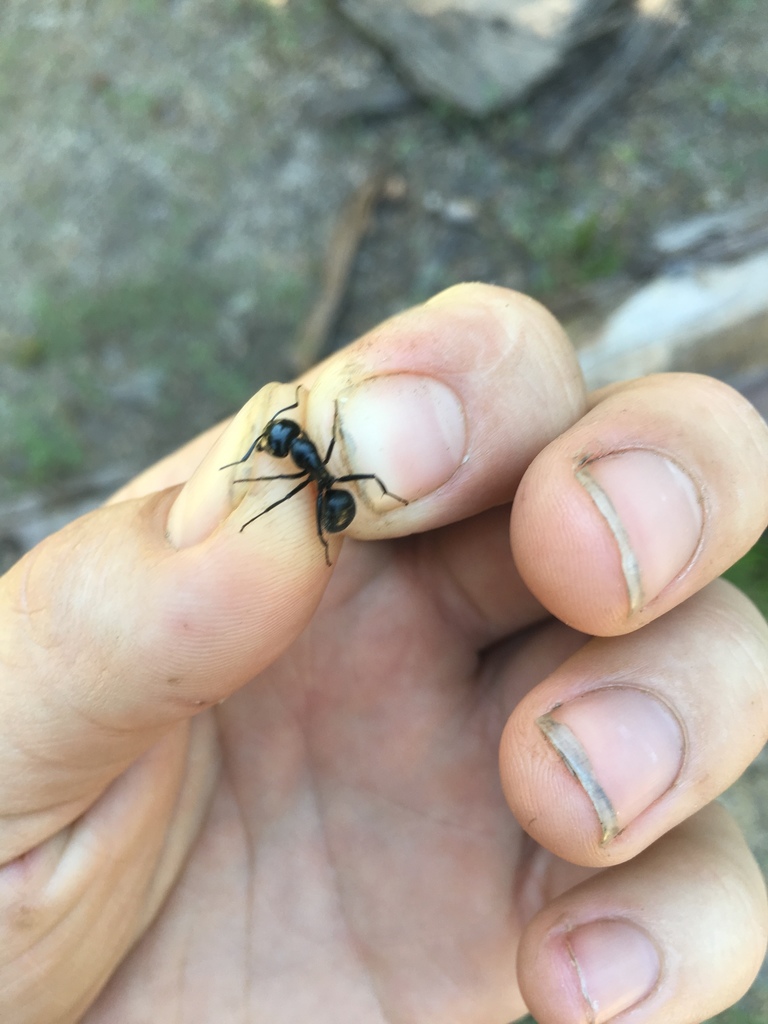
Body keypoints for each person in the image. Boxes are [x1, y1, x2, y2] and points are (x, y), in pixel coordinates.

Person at [1, 283, 767, 1024]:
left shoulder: (313, 475)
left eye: (283, 444)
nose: (281, 449)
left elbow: (304, 470)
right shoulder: (294, 478)